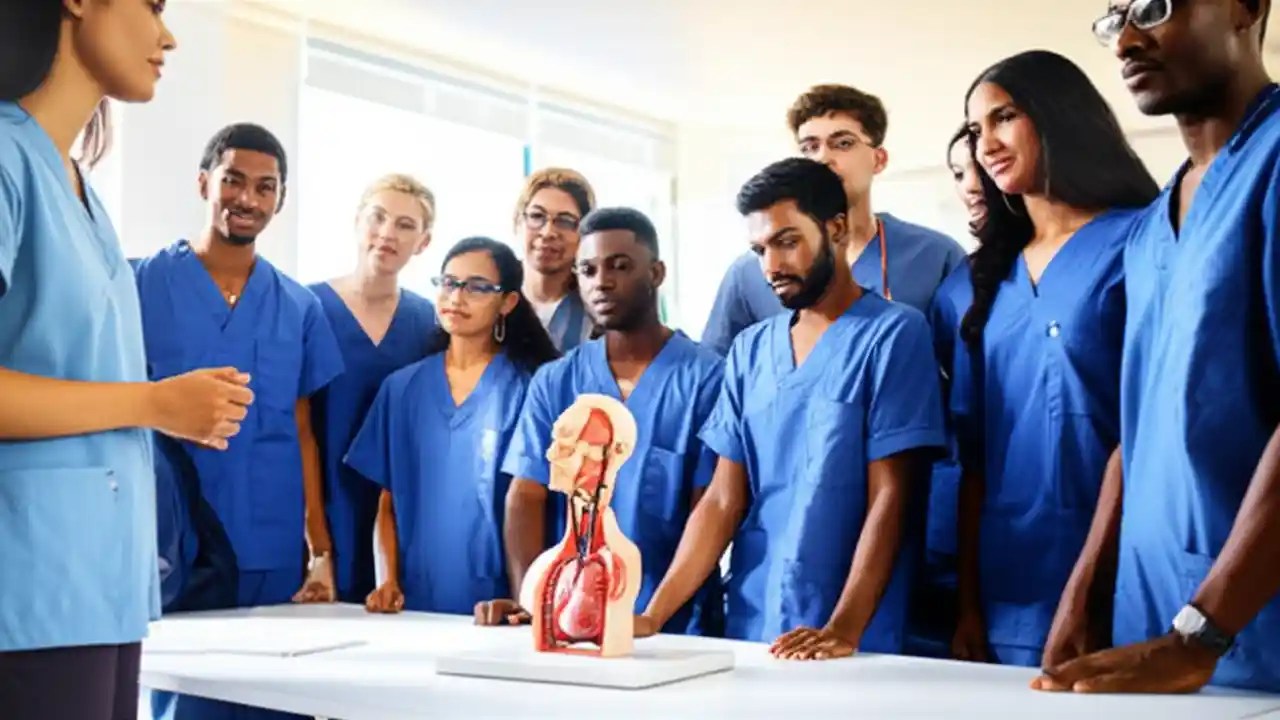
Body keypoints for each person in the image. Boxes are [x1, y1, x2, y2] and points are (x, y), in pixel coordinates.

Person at [0, 5, 247, 720]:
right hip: (26, 588)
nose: (166, 37)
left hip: (99, 587)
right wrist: (153, 404)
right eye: (154, 6)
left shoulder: (77, 190)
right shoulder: (8, 161)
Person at [1033, 0, 1280, 695]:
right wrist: (1087, 587)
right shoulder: (1148, 231)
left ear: (1244, 8)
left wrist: (1202, 632)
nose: (1128, 40)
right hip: (1156, 624)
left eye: (1154, 7)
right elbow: (1137, 430)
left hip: (1244, 632)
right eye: (1114, 20)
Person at [634, 157, 945, 658]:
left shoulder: (893, 334)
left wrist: (844, 628)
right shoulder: (751, 350)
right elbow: (721, 501)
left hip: (857, 632)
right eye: (759, 250)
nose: (771, 266)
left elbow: (891, 496)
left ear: (836, 229)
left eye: (787, 241)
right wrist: (654, 613)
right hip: (756, 622)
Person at [948, 50, 1159, 669]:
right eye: (974, 129)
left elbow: (1152, 425)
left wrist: (1092, 581)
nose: (986, 143)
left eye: (1004, 117)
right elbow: (974, 456)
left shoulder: (1141, 240)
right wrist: (967, 601)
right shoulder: (979, 282)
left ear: (1057, 116)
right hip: (1006, 582)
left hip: (1125, 569)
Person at [134, 124, 345, 720]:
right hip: (170, 543)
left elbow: (302, 430)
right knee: (187, 703)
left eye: (265, 187)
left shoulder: (298, 306)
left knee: (277, 701)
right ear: (205, 183)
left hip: (270, 542)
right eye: (233, 180)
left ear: (280, 200)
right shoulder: (137, 284)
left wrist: (319, 549)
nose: (247, 198)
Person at [473, 208, 725, 636]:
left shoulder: (707, 378)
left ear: (657, 272)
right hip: (567, 620)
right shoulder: (556, 381)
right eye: (587, 270)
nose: (601, 282)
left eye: (620, 266)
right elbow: (526, 496)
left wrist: (653, 616)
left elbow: (713, 509)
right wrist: (533, 602)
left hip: (676, 625)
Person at [347, 237, 558, 615]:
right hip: (415, 604)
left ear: (507, 302)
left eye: (477, 287)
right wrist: (387, 580)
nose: (457, 297)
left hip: (500, 607)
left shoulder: (529, 389)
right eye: (448, 283)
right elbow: (386, 503)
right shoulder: (401, 390)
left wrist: (527, 601)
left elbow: (539, 507)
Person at [700, 84, 967, 355]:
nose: (823, 158)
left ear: (879, 159)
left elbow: (966, 368)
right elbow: (715, 374)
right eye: (809, 147)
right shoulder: (750, 274)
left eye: (843, 144)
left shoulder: (935, 256)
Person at [308, 173, 438, 604]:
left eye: (405, 225)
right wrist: (317, 542)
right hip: (318, 512)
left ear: (423, 242)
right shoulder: (306, 308)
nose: (387, 234)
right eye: (378, 218)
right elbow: (297, 425)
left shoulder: (429, 323)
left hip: (398, 519)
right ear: (357, 223)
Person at [908, 123, 992, 658]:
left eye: (980, 166)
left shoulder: (1113, 243)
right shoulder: (958, 286)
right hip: (952, 513)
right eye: (959, 172)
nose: (971, 184)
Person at [516, 168, 597, 352]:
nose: (548, 232)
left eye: (565, 221)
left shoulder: (598, 313)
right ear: (518, 222)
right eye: (537, 216)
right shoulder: (490, 300)